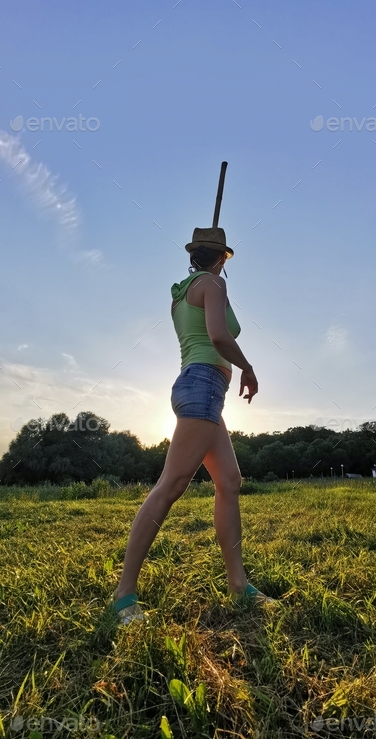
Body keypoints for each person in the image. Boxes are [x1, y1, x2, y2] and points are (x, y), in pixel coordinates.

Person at [112, 227, 277, 624]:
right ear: (222, 258)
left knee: (229, 481)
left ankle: (238, 585)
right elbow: (219, 337)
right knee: (171, 485)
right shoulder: (212, 286)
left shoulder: (182, 293)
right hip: (203, 385)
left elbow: (208, 336)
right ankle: (123, 596)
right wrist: (249, 368)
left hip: (198, 387)